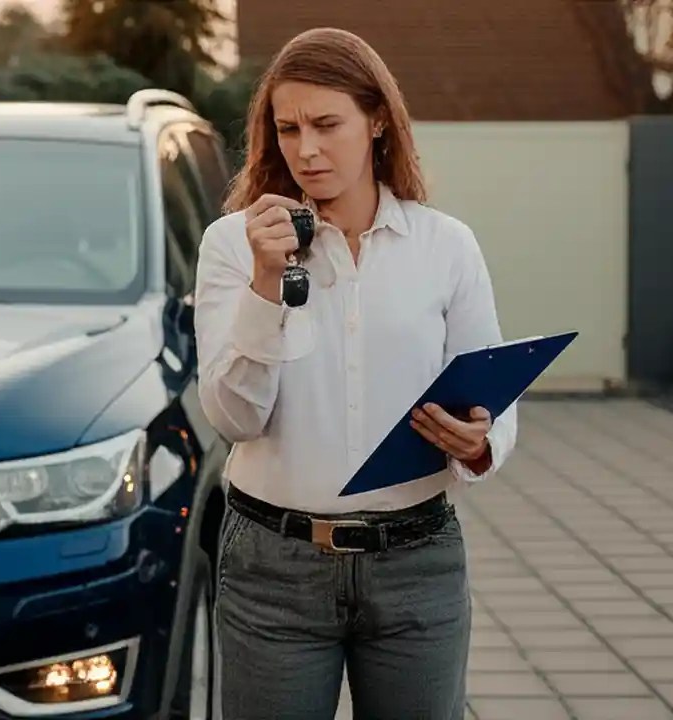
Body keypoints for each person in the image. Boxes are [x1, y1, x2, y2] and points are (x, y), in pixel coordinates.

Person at [193, 27, 518, 720]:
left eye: (326, 124)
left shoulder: (445, 246)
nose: (306, 149)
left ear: (377, 122)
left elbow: (491, 392)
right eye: (288, 129)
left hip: (416, 562)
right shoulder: (233, 246)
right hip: (273, 566)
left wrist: (480, 440)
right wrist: (264, 283)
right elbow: (233, 418)